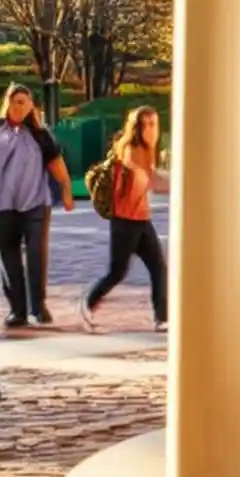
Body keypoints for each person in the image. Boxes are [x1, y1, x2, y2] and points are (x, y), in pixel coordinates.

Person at [0, 84, 74, 329]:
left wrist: (66, 190)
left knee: (36, 256)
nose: (19, 107)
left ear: (31, 106)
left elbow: (56, 163)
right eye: (15, 102)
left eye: (24, 102)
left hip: (35, 204)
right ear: (7, 104)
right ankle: (17, 310)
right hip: (1, 206)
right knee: (9, 259)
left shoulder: (40, 135)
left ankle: (38, 307)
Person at [79, 106, 169, 333]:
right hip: (125, 222)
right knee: (117, 272)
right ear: (136, 128)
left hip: (141, 219)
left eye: (153, 124)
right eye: (145, 125)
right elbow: (152, 180)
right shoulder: (131, 149)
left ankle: (162, 318)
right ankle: (89, 302)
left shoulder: (149, 150)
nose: (150, 130)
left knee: (158, 268)